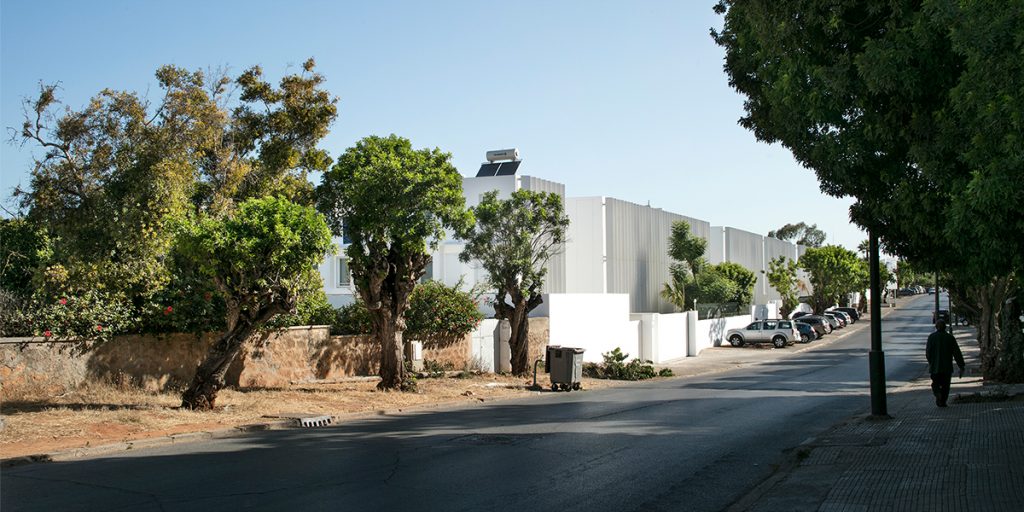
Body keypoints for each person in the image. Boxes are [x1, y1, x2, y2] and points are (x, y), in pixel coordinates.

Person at [926, 319, 965, 407]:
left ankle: (937, 393)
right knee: (945, 386)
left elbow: (928, 352)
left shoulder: (931, 337)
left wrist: (931, 362)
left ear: (936, 327)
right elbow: (957, 353)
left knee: (935, 384)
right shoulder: (950, 338)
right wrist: (961, 366)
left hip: (935, 367)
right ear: (945, 327)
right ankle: (943, 402)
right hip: (947, 367)